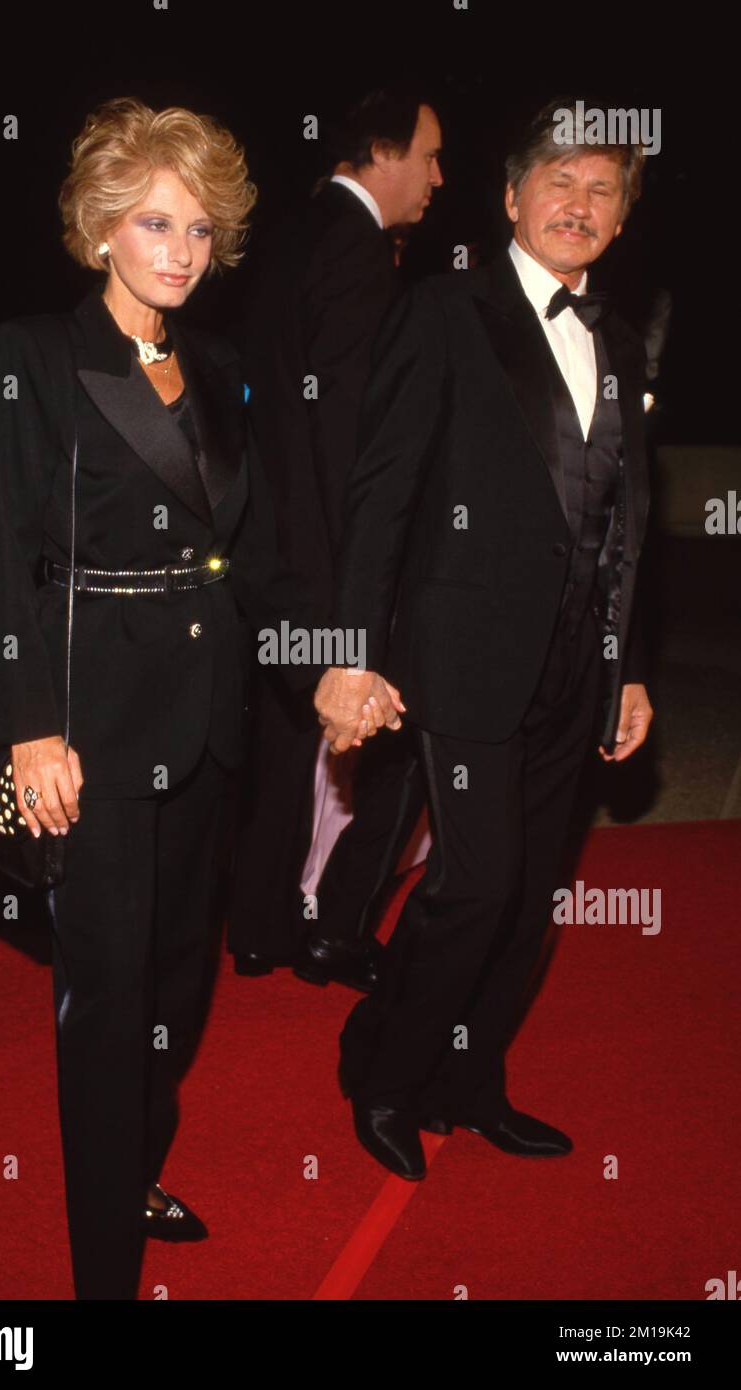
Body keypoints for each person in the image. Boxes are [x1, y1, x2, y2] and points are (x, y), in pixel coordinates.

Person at [0, 96, 299, 1298]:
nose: (178, 249)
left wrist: (325, 661)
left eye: (201, 230)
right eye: (153, 222)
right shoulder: (36, 355)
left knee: (177, 981)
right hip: (92, 727)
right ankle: (100, 1264)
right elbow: (7, 550)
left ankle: (135, 1163)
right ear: (101, 226)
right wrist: (29, 728)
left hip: (207, 720)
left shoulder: (213, 365)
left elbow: (246, 549)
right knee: (106, 1001)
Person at [314, 98, 654, 1179]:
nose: (579, 203)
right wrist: (351, 648)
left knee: (530, 899)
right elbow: (381, 494)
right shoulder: (444, 312)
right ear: (511, 198)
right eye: (559, 180)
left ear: (620, 218)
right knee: (476, 883)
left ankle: (471, 1080)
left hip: (574, 672)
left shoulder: (617, 332)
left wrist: (629, 667)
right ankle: (382, 1066)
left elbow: (620, 521)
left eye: (603, 190)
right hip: (462, 658)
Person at [229, 84, 443, 989]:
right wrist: (362, 589)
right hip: (326, 556)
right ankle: (322, 927)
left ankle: (259, 925)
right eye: (429, 156)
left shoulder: (287, 234)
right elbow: (354, 442)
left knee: (279, 743)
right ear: (381, 154)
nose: (438, 177)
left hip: (262, 548)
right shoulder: (358, 254)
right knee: (391, 733)